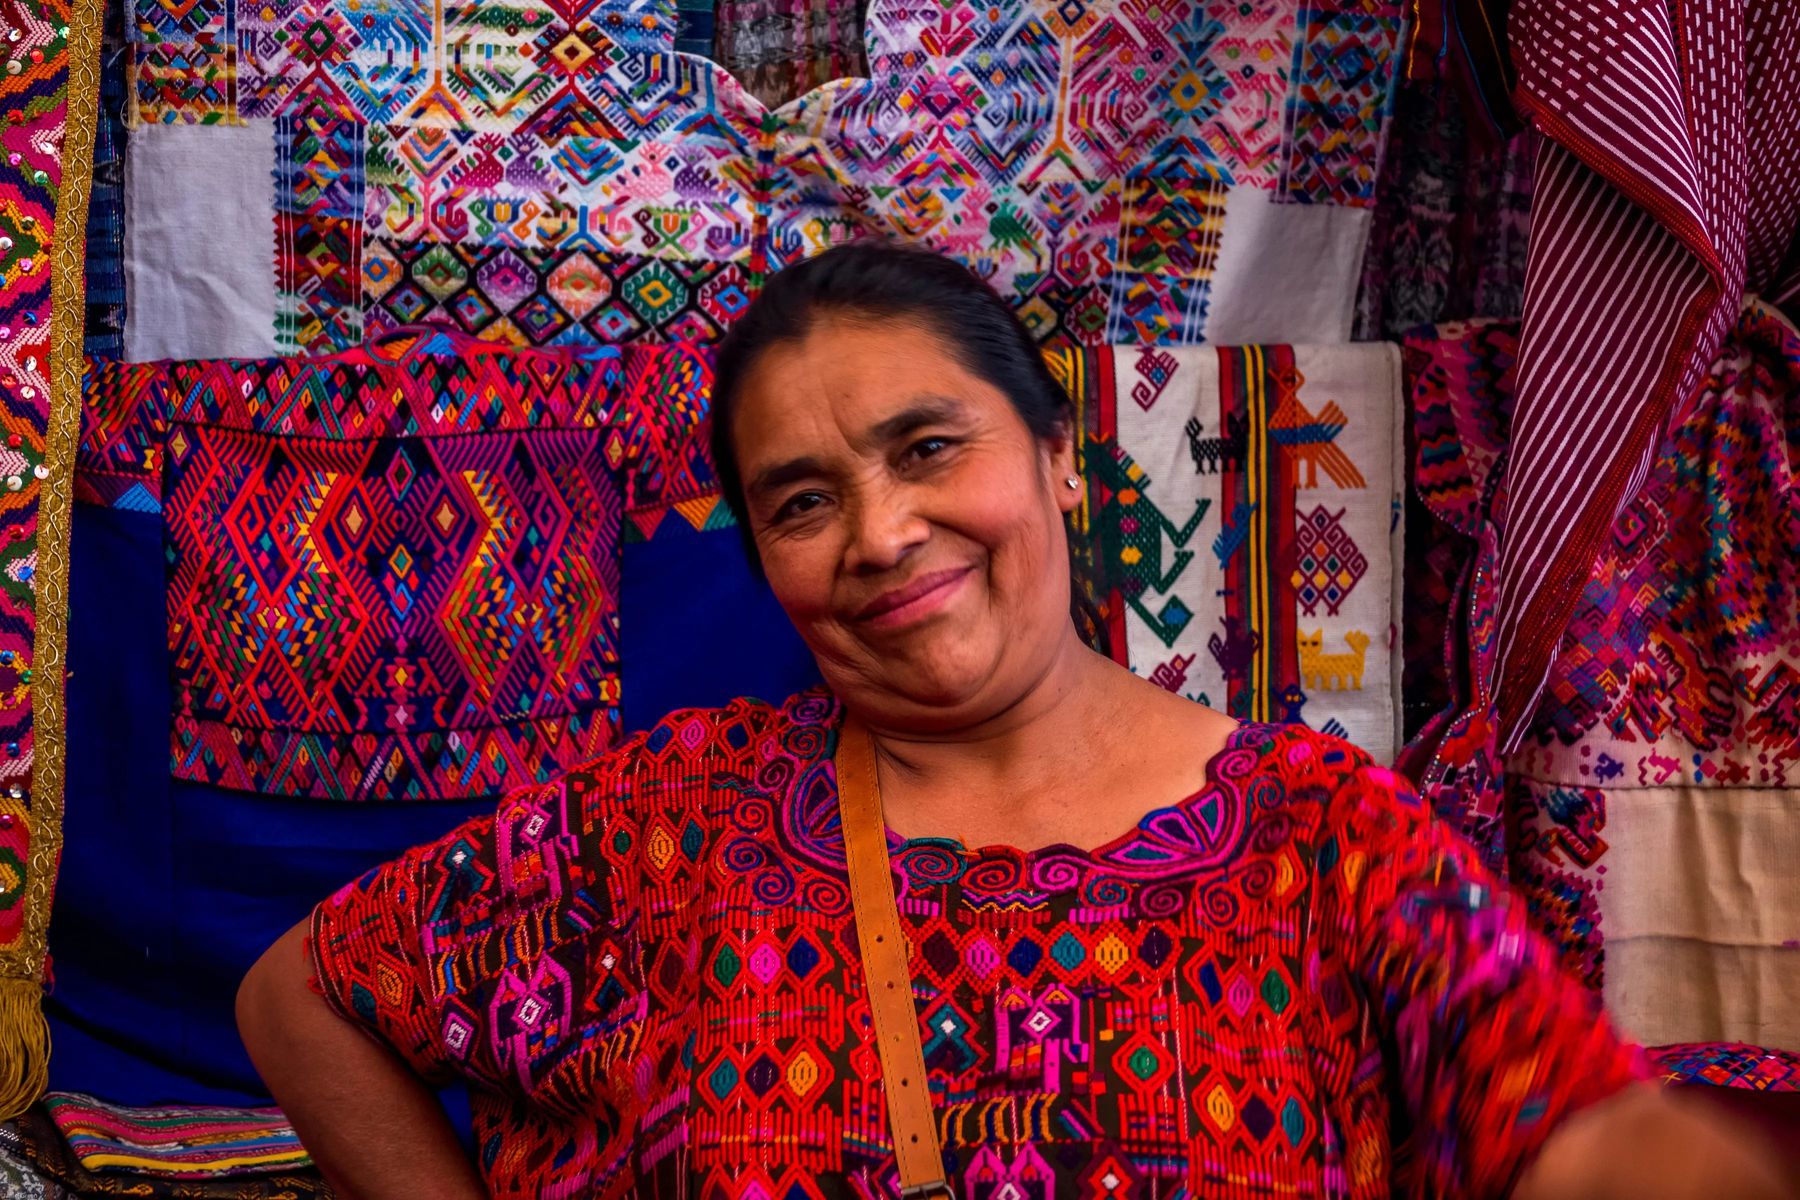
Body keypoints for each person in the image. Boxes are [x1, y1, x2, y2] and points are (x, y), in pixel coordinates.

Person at [237, 242, 1790, 1200]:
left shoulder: (1330, 838)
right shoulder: (665, 822)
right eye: (802, 500)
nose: (882, 532)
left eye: (929, 447)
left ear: (1059, 456)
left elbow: (1580, 1134)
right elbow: (300, 998)